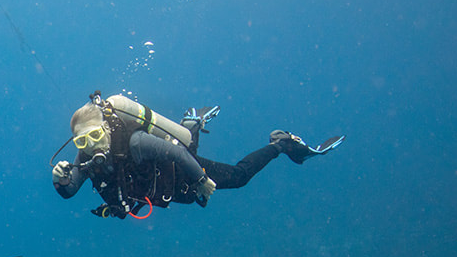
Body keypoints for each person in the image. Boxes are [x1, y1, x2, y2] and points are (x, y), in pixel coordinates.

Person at [51, 91, 345, 219]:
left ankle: (281, 143)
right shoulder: (85, 155)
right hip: (165, 191)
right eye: (83, 140)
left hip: (182, 173)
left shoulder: (136, 142)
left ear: (106, 128)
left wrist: (202, 180)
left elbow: (177, 155)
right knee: (188, 148)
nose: (91, 145)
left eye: (95, 135)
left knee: (238, 177)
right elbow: (70, 189)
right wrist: (59, 181)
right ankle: (191, 121)